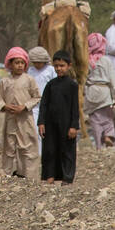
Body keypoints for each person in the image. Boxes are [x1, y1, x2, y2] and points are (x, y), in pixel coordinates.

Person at [0, 47, 40, 179]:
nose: (20, 65)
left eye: (22, 63)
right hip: (10, 120)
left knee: (28, 148)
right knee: (9, 148)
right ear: (10, 64)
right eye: (16, 63)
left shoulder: (29, 80)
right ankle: (7, 176)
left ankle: (30, 178)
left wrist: (24, 107)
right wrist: (4, 106)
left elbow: (37, 97)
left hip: (25, 119)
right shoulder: (5, 81)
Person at [39, 50, 80, 184]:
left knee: (67, 151)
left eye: (62, 66)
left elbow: (75, 108)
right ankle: (49, 176)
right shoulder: (51, 85)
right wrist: (41, 122)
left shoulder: (72, 85)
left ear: (69, 66)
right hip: (51, 125)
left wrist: (74, 126)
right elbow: (44, 104)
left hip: (66, 125)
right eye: (56, 66)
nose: (59, 69)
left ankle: (67, 178)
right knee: (50, 150)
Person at [84, 32, 115, 148]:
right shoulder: (106, 60)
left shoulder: (86, 61)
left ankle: (99, 144)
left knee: (95, 119)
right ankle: (108, 135)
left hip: (91, 91)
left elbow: (83, 78)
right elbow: (113, 80)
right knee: (108, 117)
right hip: (105, 92)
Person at [26, 46, 55, 156]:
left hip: (48, 104)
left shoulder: (51, 70)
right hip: (35, 105)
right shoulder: (30, 71)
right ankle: (38, 153)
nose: (38, 64)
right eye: (35, 62)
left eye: (40, 62)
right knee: (35, 130)